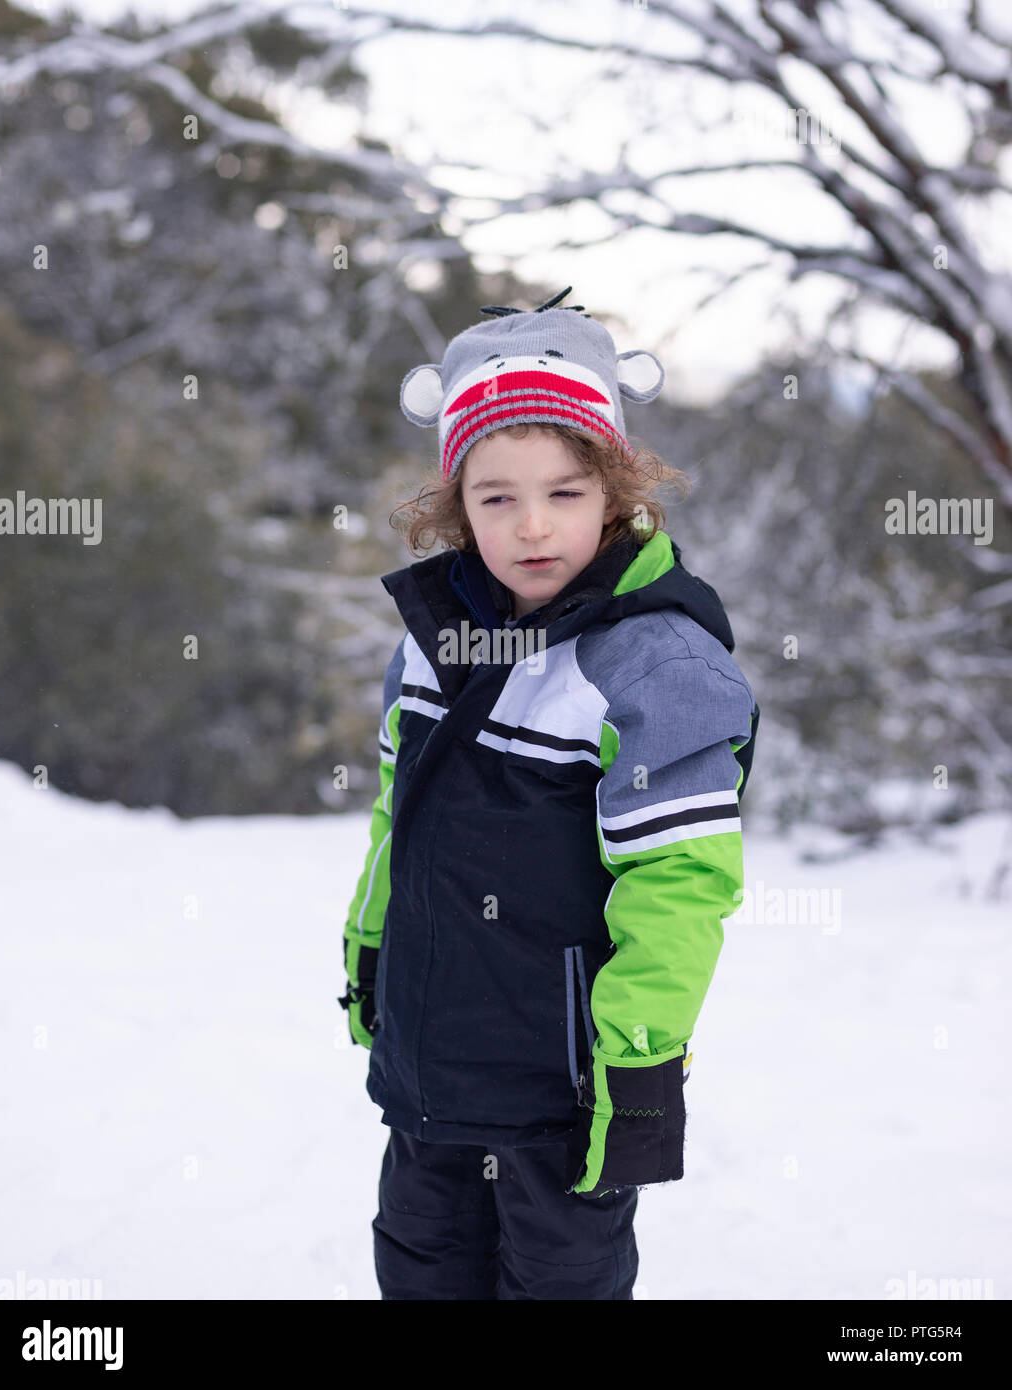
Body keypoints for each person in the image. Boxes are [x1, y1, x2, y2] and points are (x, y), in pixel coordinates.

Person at [338, 287, 760, 1300]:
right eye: (495, 498)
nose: (531, 526)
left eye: (564, 493)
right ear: (454, 505)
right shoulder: (430, 645)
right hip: (430, 1074)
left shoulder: (652, 664)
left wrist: (640, 1065)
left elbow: (678, 885)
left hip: (560, 1095)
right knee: (419, 1273)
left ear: (614, 490)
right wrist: (371, 950)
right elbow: (400, 821)